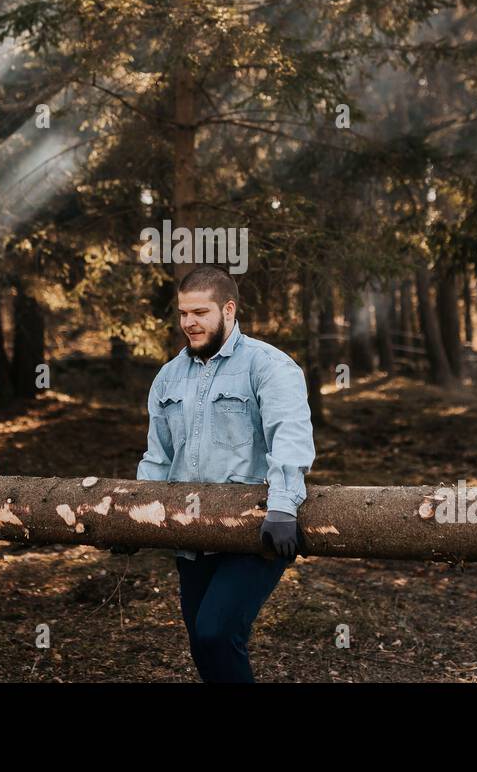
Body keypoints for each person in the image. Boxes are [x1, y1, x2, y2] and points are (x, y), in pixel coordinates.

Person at [114, 265, 316, 682]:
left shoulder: (269, 366)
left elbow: (290, 440)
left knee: (215, 633)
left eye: (200, 312)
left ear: (228, 309)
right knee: (203, 642)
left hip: (256, 532)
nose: (189, 322)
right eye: (183, 313)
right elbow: (156, 457)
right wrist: (134, 519)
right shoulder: (168, 377)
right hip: (191, 537)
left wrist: (282, 508)